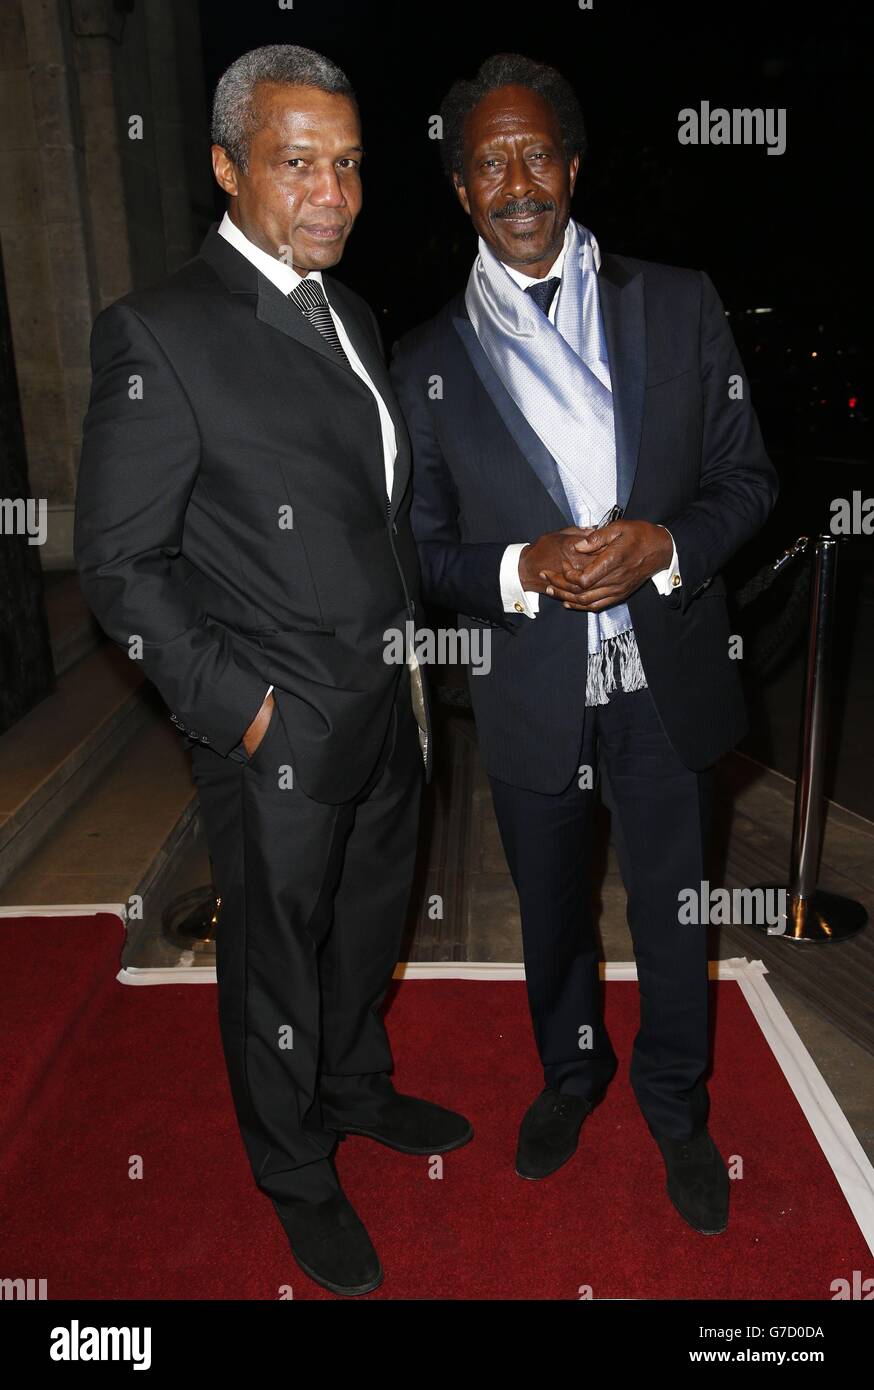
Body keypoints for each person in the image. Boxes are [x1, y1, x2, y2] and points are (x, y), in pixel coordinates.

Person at [74, 44, 470, 1298]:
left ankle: (355, 1088)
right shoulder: (161, 330)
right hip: (275, 729)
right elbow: (121, 566)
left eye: (348, 164)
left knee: (365, 929)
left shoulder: (347, 312)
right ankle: (294, 1172)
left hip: (390, 707)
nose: (333, 192)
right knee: (274, 962)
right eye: (298, 162)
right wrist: (243, 714)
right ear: (225, 167)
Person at [390, 53, 778, 1235]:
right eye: (487, 161)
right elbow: (420, 551)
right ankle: (571, 1075)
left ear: (570, 164)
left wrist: (663, 541)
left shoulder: (676, 299)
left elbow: (749, 479)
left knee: (672, 910)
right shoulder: (425, 363)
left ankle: (674, 1100)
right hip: (531, 691)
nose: (516, 180)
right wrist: (520, 570)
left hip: (663, 678)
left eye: (534, 153)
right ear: (460, 187)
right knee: (552, 915)